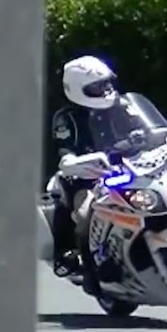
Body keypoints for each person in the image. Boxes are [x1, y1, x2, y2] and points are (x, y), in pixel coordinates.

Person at [46, 54, 124, 278]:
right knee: (84, 214)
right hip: (88, 177)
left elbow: (143, 127)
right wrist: (71, 160)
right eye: (97, 87)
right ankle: (86, 266)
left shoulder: (121, 106)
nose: (105, 90)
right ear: (78, 90)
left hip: (128, 169)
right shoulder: (66, 118)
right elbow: (64, 147)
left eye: (106, 83)